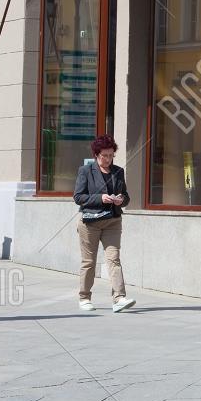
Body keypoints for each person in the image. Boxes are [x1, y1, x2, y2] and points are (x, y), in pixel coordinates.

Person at [73, 134, 135, 313]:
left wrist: (120, 200)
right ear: (96, 155)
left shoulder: (118, 171)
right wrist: (100, 198)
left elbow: (126, 197)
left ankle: (119, 298)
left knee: (114, 259)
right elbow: (78, 197)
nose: (108, 159)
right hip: (90, 222)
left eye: (110, 155)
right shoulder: (85, 171)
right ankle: (84, 297)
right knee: (89, 262)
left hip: (113, 221)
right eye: (104, 156)